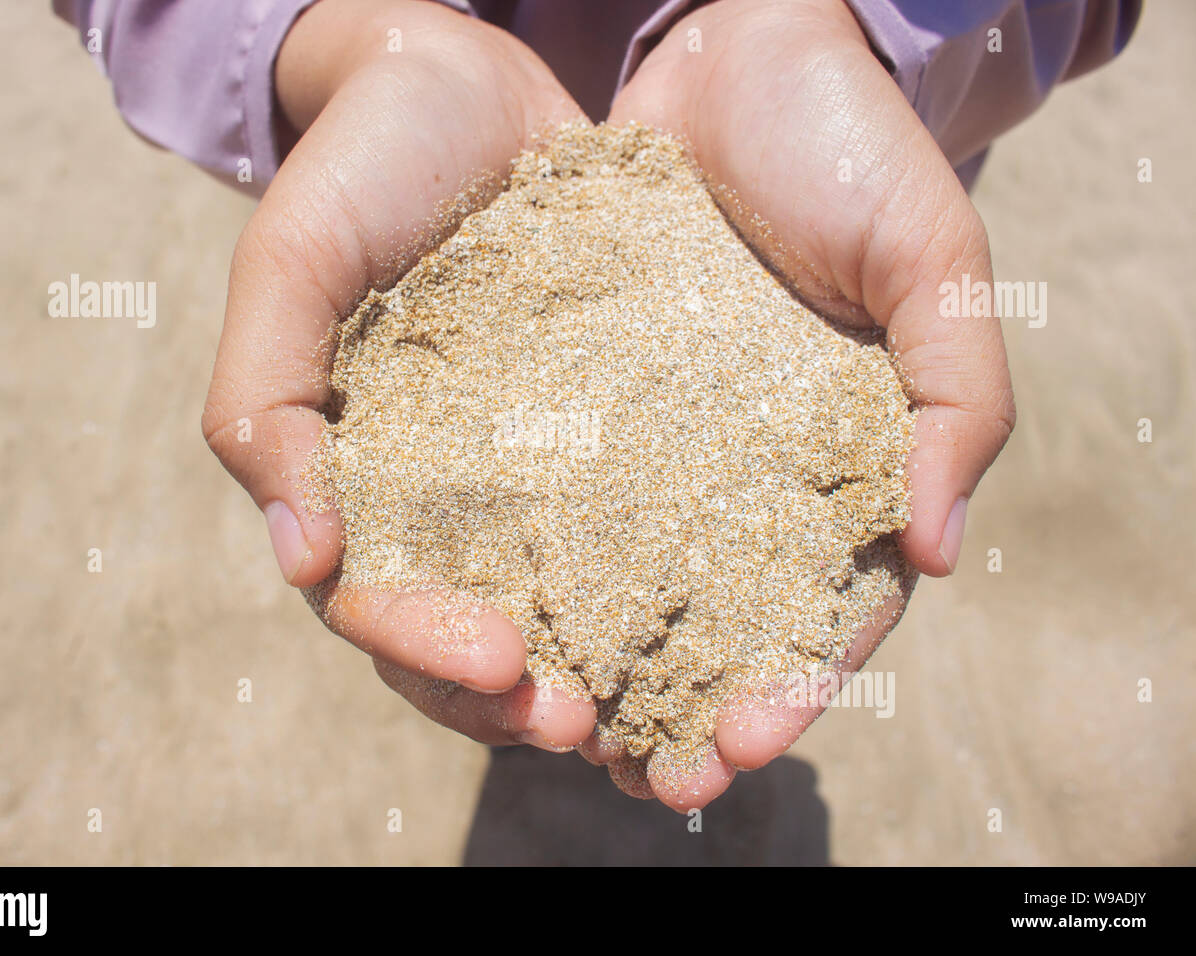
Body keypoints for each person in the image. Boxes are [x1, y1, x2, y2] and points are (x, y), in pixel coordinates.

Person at [55, 0, 1141, 810]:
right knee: (506, 680)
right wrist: (340, 41)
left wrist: (854, 26)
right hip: (424, 137)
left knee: (601, 703)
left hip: (816, 209)